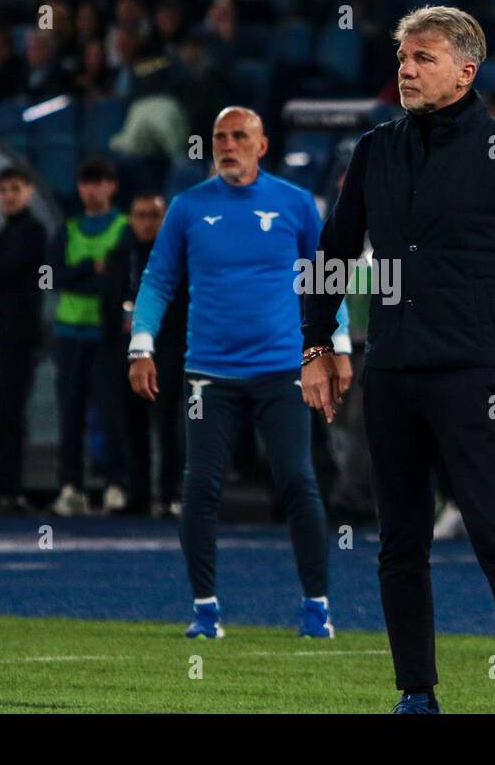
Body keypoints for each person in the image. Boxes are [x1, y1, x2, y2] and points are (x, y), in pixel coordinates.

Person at [301, 6, 495, 714]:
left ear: (466, 69)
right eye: (403, 57)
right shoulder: (374, 150)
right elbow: (333, 255)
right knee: (399, 543)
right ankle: (416, 693)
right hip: (391, 372)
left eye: (424, 58)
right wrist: (318, 345)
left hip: (474, 374)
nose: (406, 68)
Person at [128, 106, 352, 640]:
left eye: (239, 136)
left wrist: (337, 345)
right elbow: (158, 281)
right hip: (208, 374)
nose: (227, 145)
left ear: (262, 144)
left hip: (282, 370)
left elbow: (323, 280)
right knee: (200, 486)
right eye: (219, 137)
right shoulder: (186, 208)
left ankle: (317, 606)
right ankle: (205, 610)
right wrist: (141, 346)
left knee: (298, 481)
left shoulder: (297, 204)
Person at [51, 159, 134, 515]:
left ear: (112, 187)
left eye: (99, 182)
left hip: (106, 334)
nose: (92, 190)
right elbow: (57, 277)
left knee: (112, 410)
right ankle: (71, 485)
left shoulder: (123, 228)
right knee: (71, 412)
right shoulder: (67, 229)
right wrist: (92, 269)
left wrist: (84, 275)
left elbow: (117, 280)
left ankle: (115, 483)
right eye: (86, 183)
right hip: (69, 331)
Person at [0, 166, 49, 512]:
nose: (9, 196)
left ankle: (11, 488)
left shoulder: (34, 233)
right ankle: (4, 486)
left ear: (29, 191)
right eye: (3, 190)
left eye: (15, 189)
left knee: (10, 413)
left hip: (18, 337)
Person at [123, 192, 187, 517]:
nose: (147, 222)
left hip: (169, 352)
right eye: (141, 215)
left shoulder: (176, 258)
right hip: (126, 354)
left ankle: (169, 494)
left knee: (169, 426)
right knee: (130, 424)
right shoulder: (122, 254)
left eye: (154, 215)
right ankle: (136, 493)